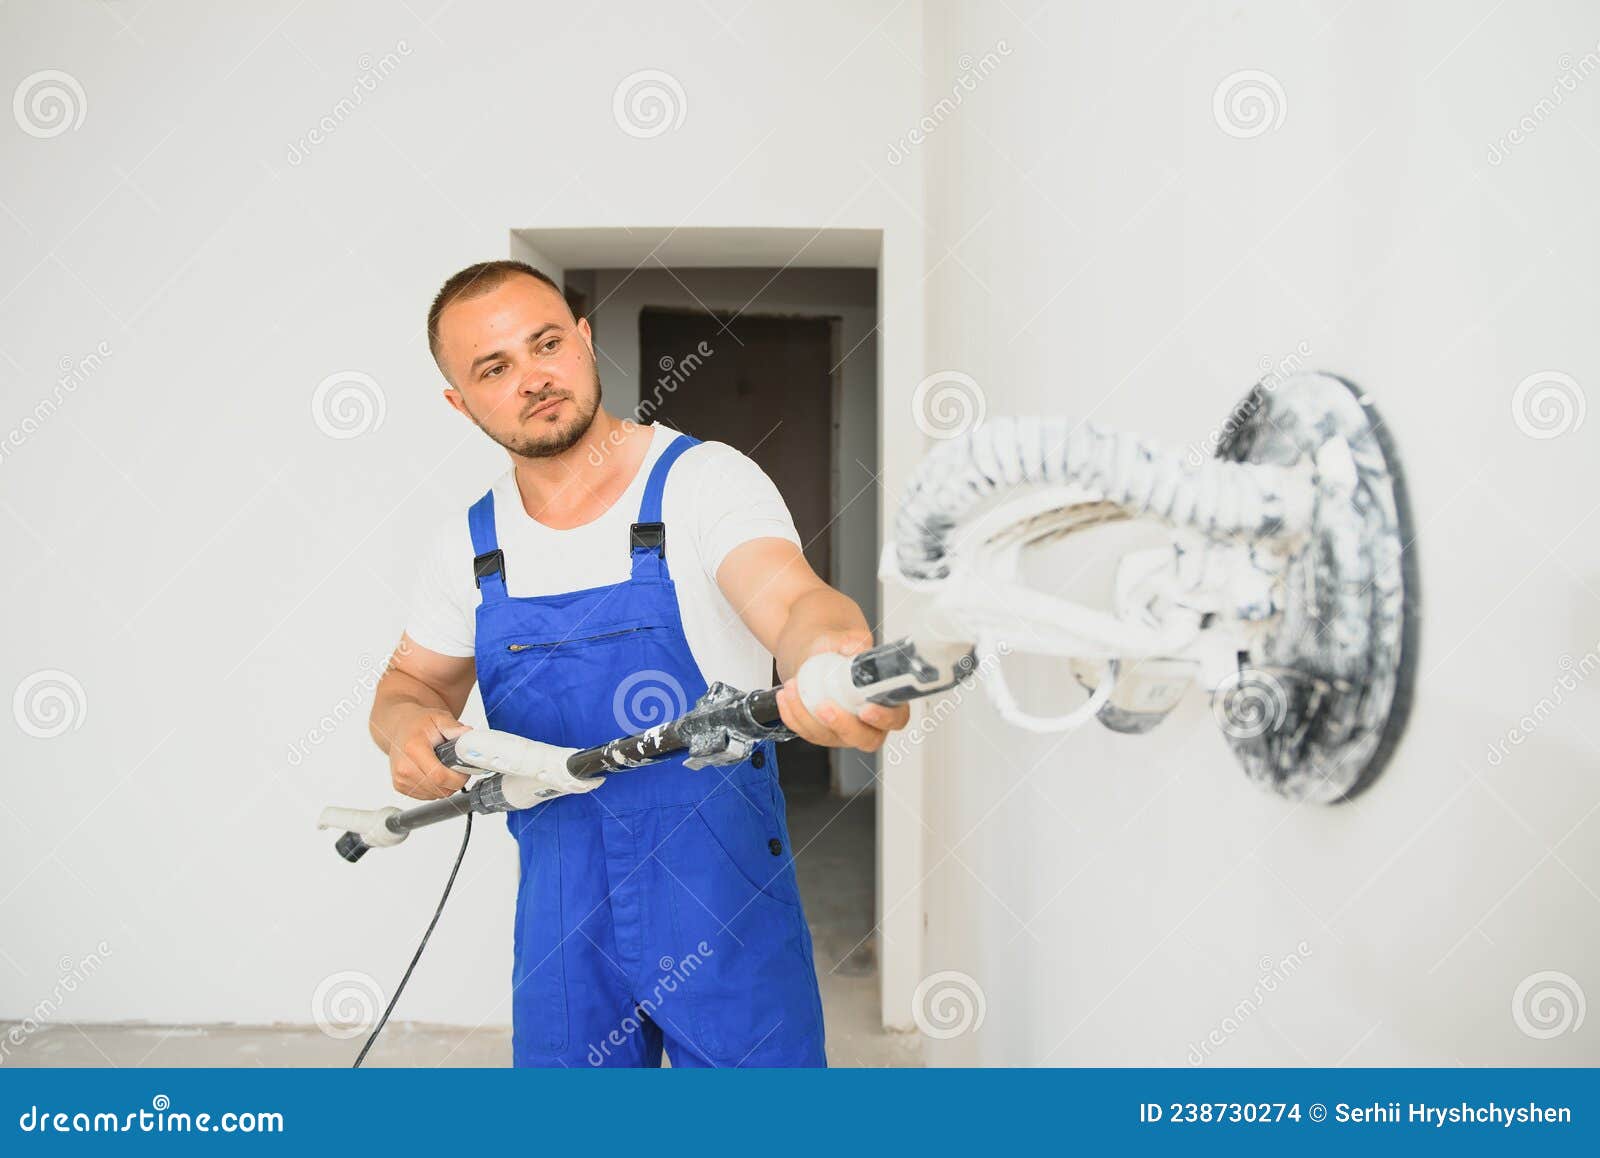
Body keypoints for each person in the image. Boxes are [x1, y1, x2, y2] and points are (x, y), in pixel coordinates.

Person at [367, 260, 909, 1068]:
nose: (533, 378)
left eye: (546, 343)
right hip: (560, 911)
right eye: (495, 367)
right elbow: (409, 684)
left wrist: (832, 658)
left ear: (583, 342)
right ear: (461, 400)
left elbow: (793, 600)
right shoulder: (468, 548)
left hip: (719, 898)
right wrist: (406, 728)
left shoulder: (701, 482)